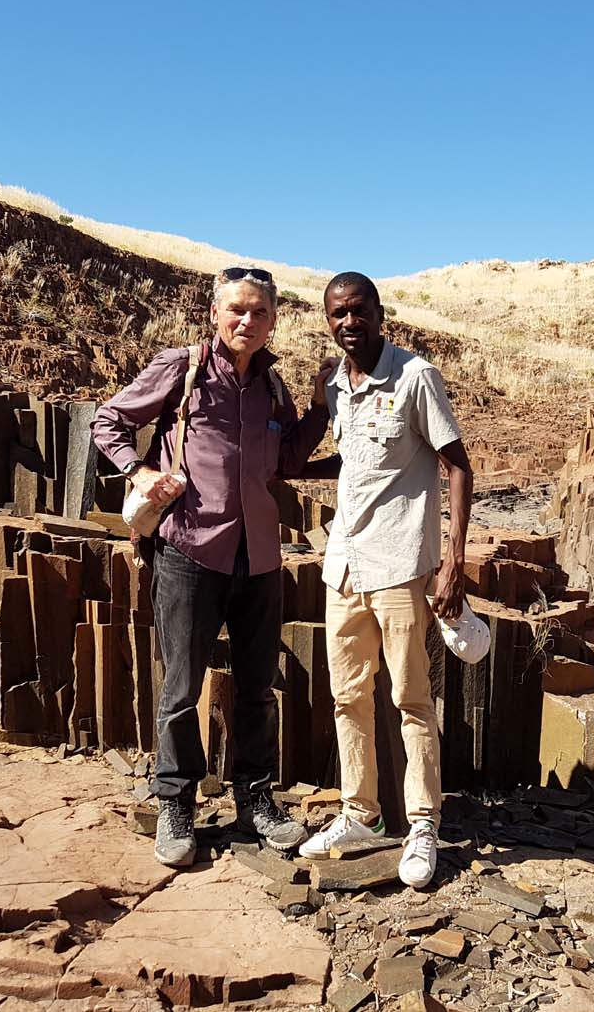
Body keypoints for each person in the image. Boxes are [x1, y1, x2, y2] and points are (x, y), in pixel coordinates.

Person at [91, 267, 330, 867]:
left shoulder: (274, 386)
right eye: (237, 310)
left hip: (260, 558)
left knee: (257, 687)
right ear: (216, 312)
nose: (247, 321)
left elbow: (290, 461)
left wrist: (323, 406)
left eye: (259, 312)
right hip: (190, 549)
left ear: (274, 319)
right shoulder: (183, 368)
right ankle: (175, 799)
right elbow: (107, 420)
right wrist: (138, 471)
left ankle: (254, 796)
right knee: (180, 686)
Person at [296, 271, 473, 890]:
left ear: (379, 313)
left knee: (410, 701)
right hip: (343, 563)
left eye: (359, 311)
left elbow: (457, 467)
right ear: (328, 320)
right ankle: (360, 814)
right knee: (347, 698)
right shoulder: (335, 387)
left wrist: (453, 561)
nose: (349, 323)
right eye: (337, 314)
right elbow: (353, 460)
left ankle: (423, 823)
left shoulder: (416, 377)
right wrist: (289, 468)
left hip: (401, 564)